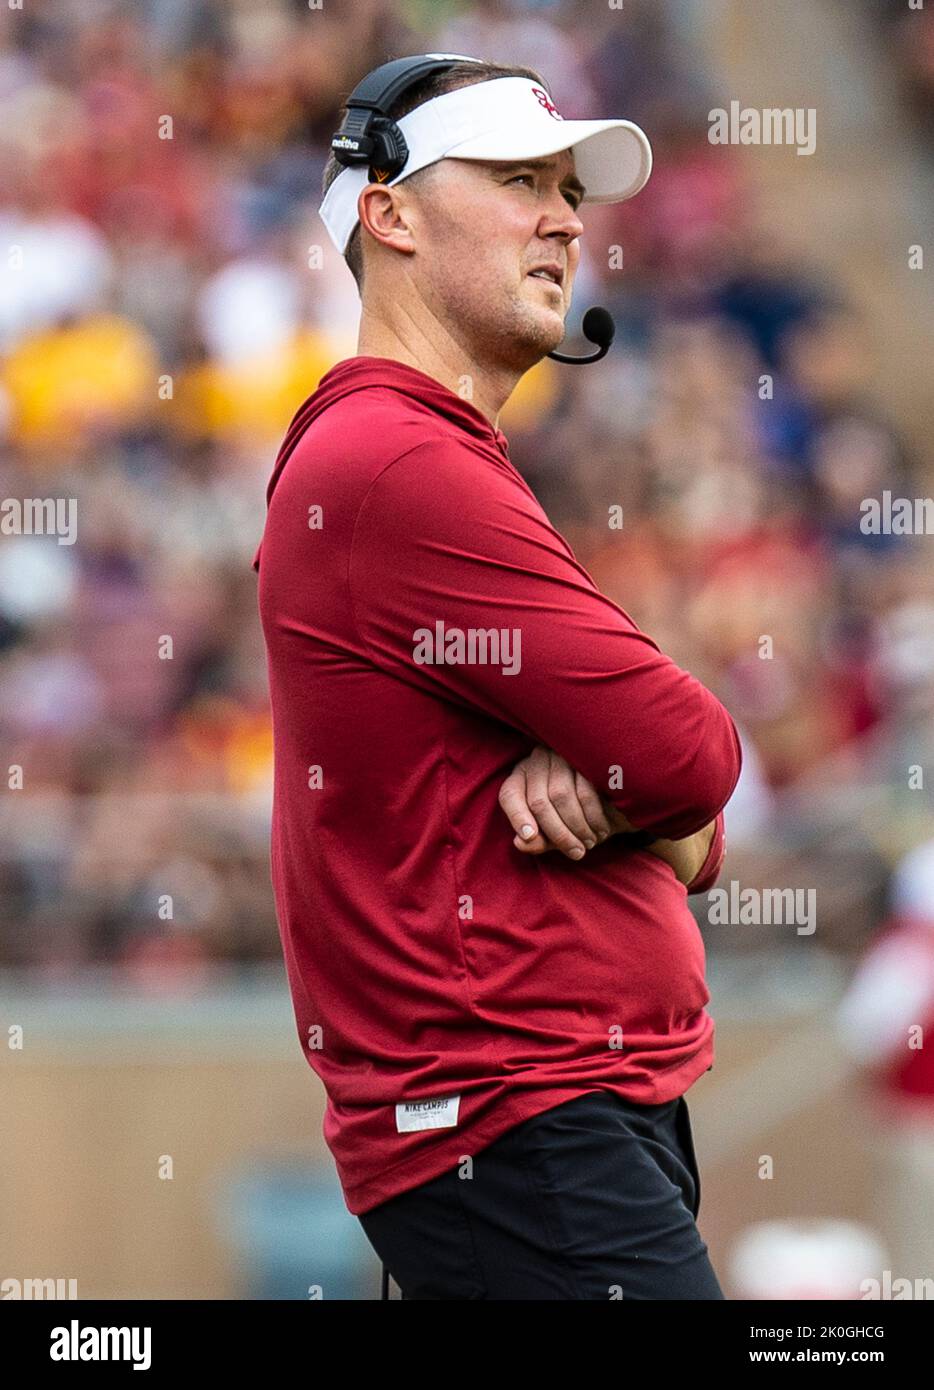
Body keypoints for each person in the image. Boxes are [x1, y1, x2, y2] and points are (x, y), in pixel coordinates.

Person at [252, 55, 742, 1300]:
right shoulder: (392, 463)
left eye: (569, 187)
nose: (567, 218)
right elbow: (689, 758)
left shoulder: (420, 455)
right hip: (522, 1129)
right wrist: (652, 794)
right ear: (390, 214)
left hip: (538, 1123)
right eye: (520, 178)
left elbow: (681, 797)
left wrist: (633, 793)